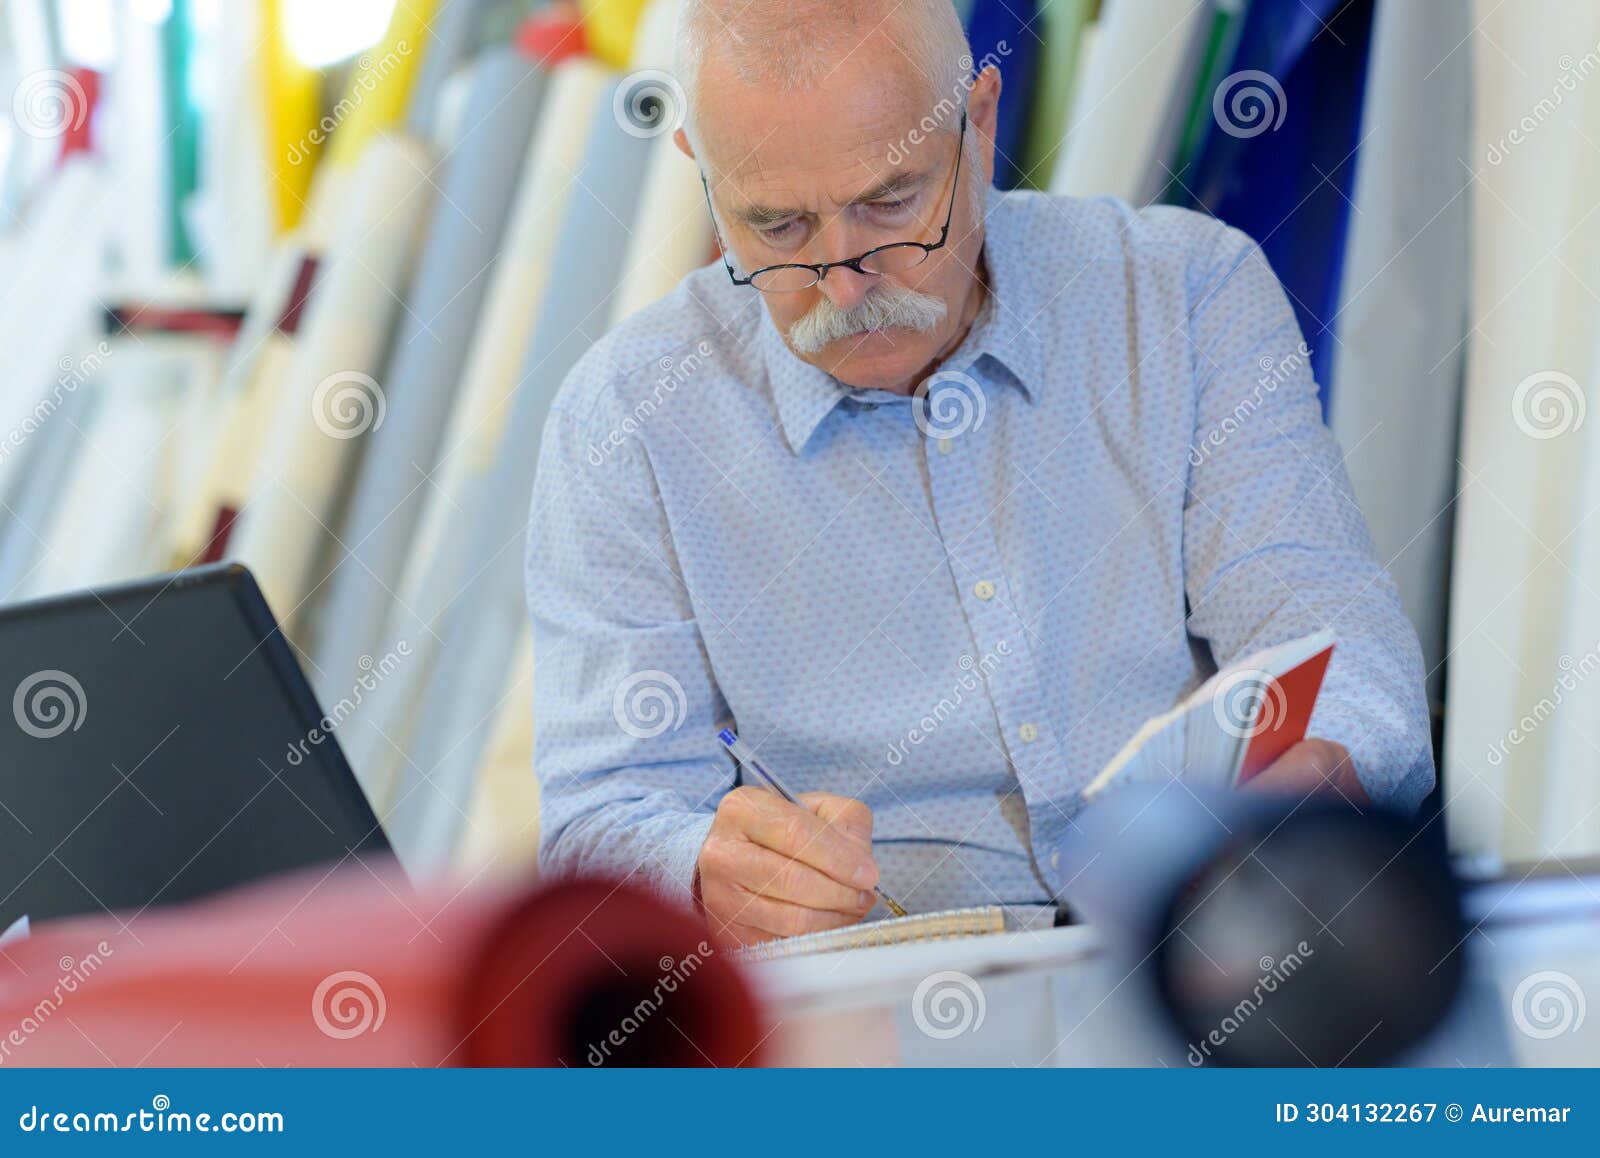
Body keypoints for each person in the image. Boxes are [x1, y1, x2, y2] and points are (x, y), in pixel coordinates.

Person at [526, 0, 1433, 946]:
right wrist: (704, 875)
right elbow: (601, 816)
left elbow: (1332, 632)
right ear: (701, 179)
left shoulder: (1182, 295)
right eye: (779, 227)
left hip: (1214, 943)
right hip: (878, 1012)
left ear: (981, 120)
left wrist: (1331, 760)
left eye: (891, 203)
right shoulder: (629, 419)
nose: (844, 282)